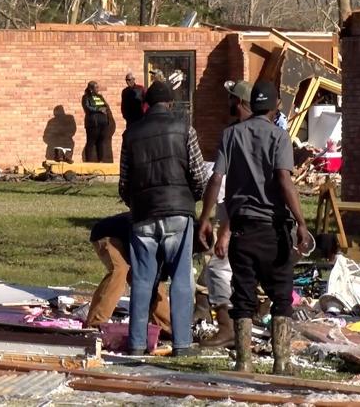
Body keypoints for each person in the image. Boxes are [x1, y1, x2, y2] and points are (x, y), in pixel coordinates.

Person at [197, 80, 310, 375]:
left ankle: (243, 361)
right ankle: (282, 361)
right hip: (273, 227)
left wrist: (205, 218)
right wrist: (300, 221)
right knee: (281, 294)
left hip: (242, 229)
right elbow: (284, 180)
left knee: (243, 294)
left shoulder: (230, 136)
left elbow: (216, 179)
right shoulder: (279, 137)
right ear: (274, 107)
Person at [119, 81, 207, 357]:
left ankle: (135, 344)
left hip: (143, 215)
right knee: (180, 279)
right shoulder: (185, 129)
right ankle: (182, 343)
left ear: (148, 105)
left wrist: (137, 204)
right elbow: (200, 176)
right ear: (170, 103)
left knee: (143, 280)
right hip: (179, 214)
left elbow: (124, 183)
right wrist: (189, 200)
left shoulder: (131, 134)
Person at [198, 80, 252, 349]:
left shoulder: (234, 135)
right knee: (245, 269)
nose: (228, 103)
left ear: (240, 102)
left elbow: (218, 179)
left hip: (237, 210)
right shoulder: (273, 133)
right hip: (263, 214)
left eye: (231, 98)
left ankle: (228, 328)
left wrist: (210, 220)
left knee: (220, 266)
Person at [85, 212, 172, 336]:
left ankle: (166, 326)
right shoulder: (161, 230)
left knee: (150, 279)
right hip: (107, 234)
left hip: (131, 242)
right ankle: (95, 323)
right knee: (119, 270)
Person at [82, 81, 110, 163]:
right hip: (93, 123)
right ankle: (88, 162)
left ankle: (101, 161)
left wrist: (105, 109)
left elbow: (105, 105)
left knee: (100, 142)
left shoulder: (100, 96)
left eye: (98, 87)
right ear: (91, 89)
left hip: (103, 123)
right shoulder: (86, 97)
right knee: (91, 142)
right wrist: (98, 109)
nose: (98, 89)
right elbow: (87, 107)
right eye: (96, 87)